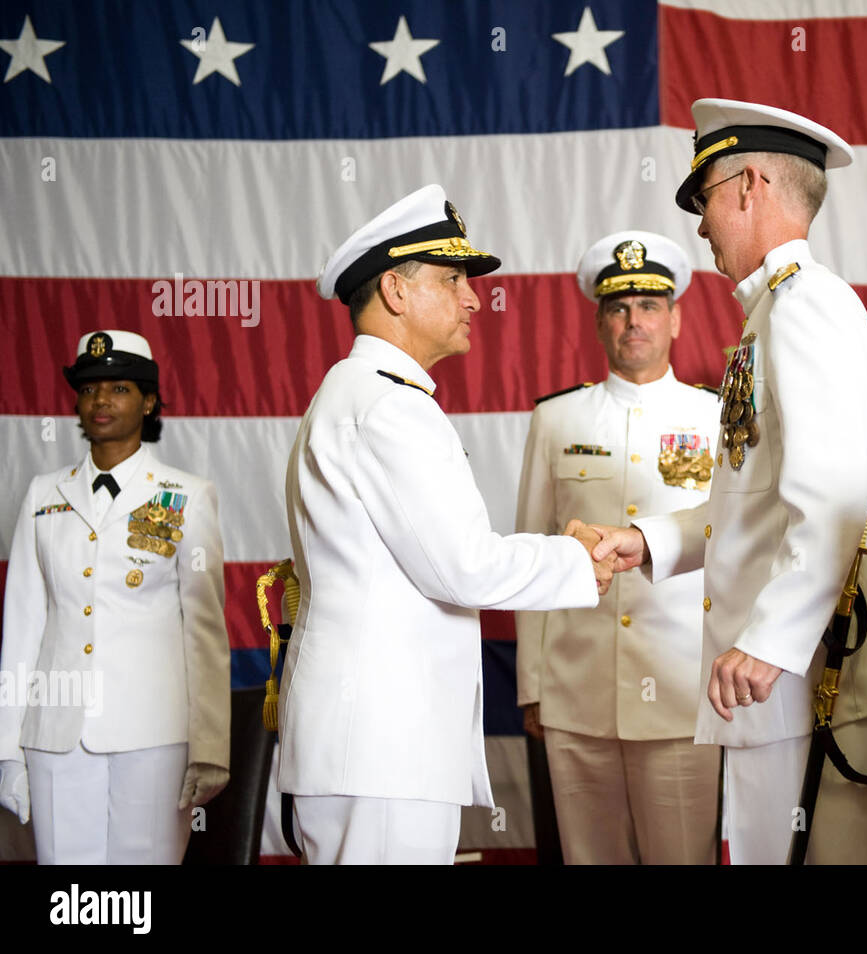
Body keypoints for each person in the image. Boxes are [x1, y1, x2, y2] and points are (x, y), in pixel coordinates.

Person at [589, 100, 867, 864]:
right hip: (783, 681)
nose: (701, 225)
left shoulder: (805, 307)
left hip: (804, 673)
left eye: (704, 198)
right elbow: (755, 502)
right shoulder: (774, 311)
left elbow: (833, 499)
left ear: (747, 184)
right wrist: (647, 541)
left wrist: (770, 642)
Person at [279, 184, 614, 865]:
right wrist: (576, 559)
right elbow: (463, 566)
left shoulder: (364, 394)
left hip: (377, 750)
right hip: (380, 750)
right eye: (452, 279)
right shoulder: (387, 406)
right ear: (397, 293)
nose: (472, 298)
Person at [515, 230, 721, 864]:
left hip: (682, 689)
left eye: (649, 305)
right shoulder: (557, 419)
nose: (635, 321)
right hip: (577, 692)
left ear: (677, 318)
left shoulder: (716, 417)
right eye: (618, 307)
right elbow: (533, 550)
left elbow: (732, 541)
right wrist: (533, 685)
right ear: (600, 322)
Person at [0, 330, 231, 864]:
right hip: (55, 732)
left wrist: (211, 747)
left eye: (119, 388)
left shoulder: (187, 496)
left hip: (154, 733)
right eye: (89, 389)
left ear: (148, 401)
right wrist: (8, 749)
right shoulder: (43, 495)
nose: (101, 400)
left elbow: (204, 634)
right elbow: (22, 627)